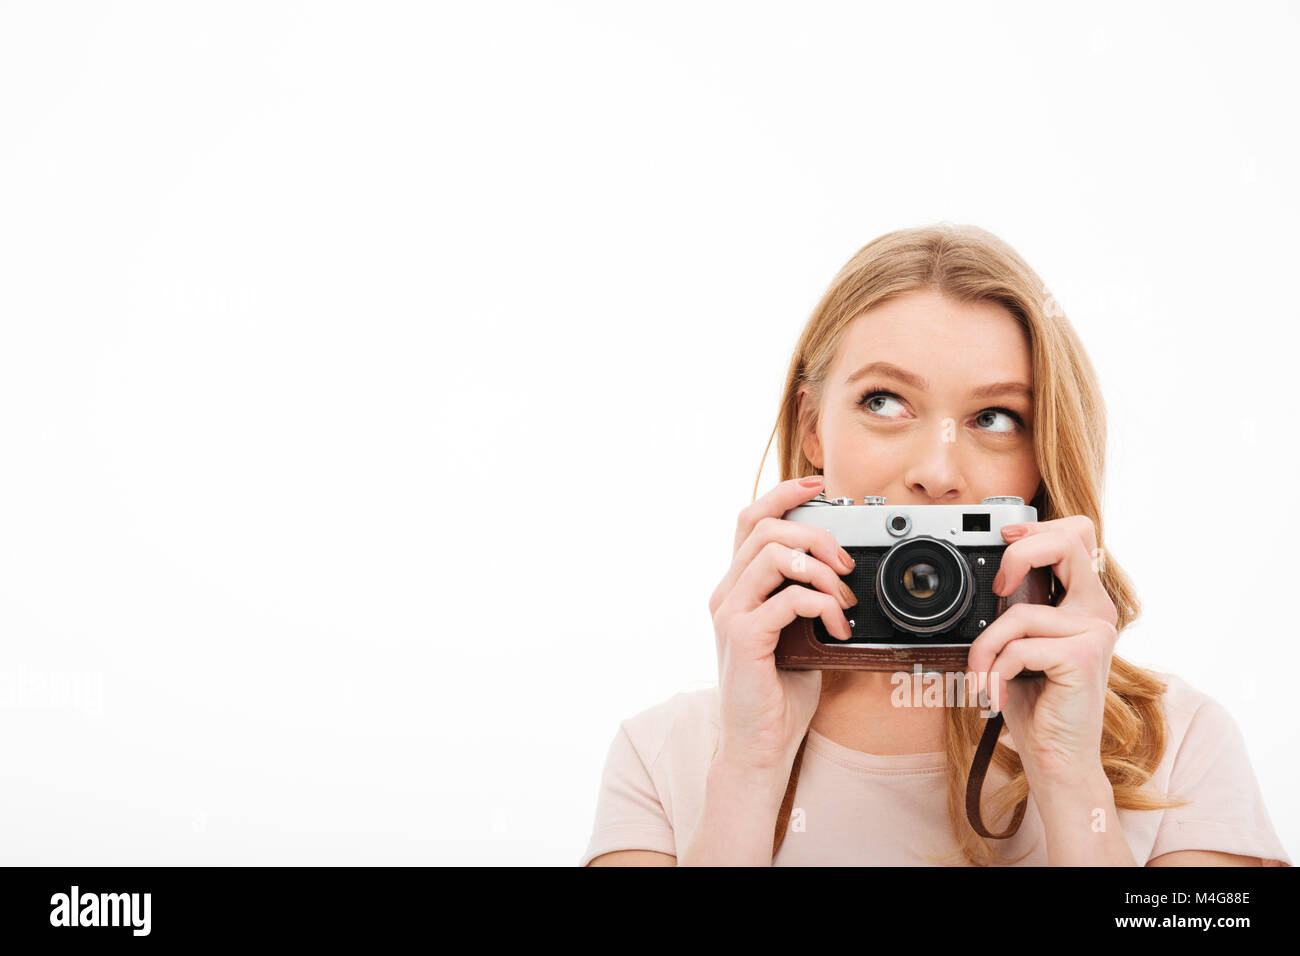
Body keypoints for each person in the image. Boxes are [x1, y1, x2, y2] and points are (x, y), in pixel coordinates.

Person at [580, 224, 1292, 866]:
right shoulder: (663, 759)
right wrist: (749, 772)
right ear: (813, 428)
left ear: (1043, 456)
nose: (937, 472)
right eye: (884, 402)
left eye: (994, 416)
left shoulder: (1173, 747)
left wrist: (1070, 780)